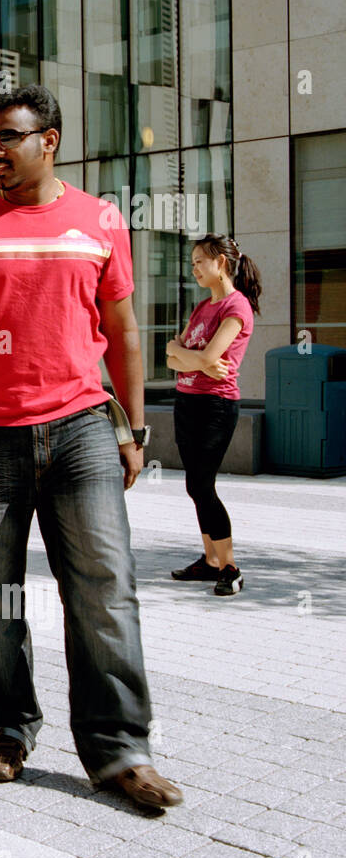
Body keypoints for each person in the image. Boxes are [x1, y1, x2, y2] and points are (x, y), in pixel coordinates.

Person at [0, 84, 182, 812]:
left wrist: (132, 425)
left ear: (51, 140)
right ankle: (7, 727)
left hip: (82, 430)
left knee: (105, 592)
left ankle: (121, 753)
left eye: (9, 137)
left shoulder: (99, 220)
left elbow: (125, 330)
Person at [166, 235, 262, 597]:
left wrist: (187, 354)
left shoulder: (237, 308)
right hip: (186, 402)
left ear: (220, 262)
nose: (194, 269)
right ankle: (209, 561)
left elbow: (208, 358)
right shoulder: (202, 307)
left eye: (199, 262)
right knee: (195, 485)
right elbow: (174, 359)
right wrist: (181, 352)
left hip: (215, 406)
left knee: (202, 485)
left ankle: (230, 567)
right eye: (192, 263)